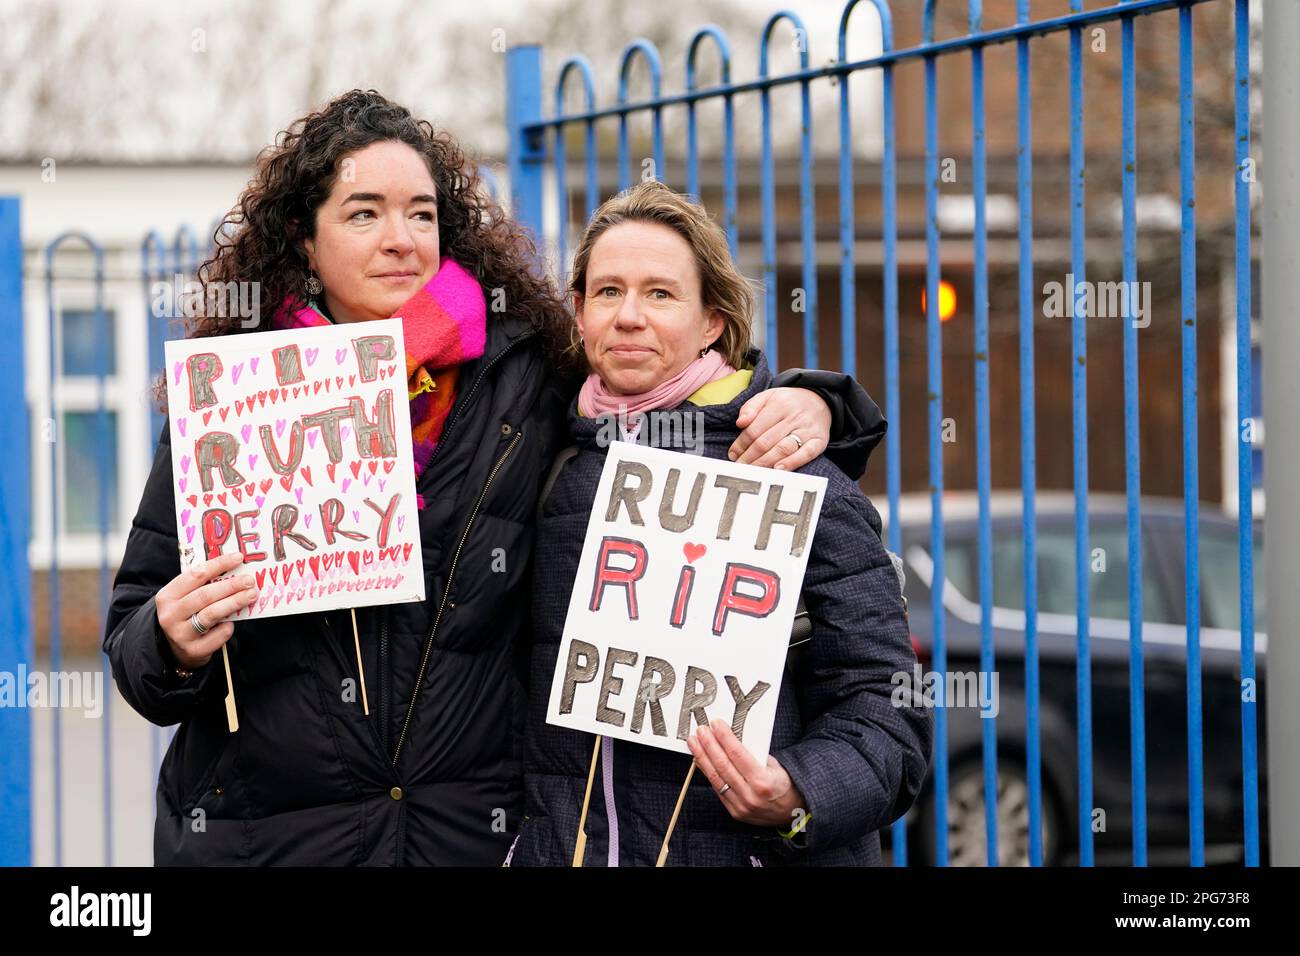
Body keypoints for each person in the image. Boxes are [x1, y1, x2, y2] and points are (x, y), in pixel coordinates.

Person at [102, 90, 886, 866]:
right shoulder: (232, 405)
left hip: (462, 838)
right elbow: (137, 649)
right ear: (305, 242)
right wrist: (171, 642)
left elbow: (658, 381)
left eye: (420, 212)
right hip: (269, 841)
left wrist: (820, 403)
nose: (400, 238)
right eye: (364, 212)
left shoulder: (518, 374)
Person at [507, 181, 932, 867]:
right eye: (608, 292)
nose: (629, 317)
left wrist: (798, 792)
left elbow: (888, 707)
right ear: (580, 312)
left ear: (712, 320)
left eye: (661, 294)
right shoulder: (541, 466)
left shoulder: (796, 473)